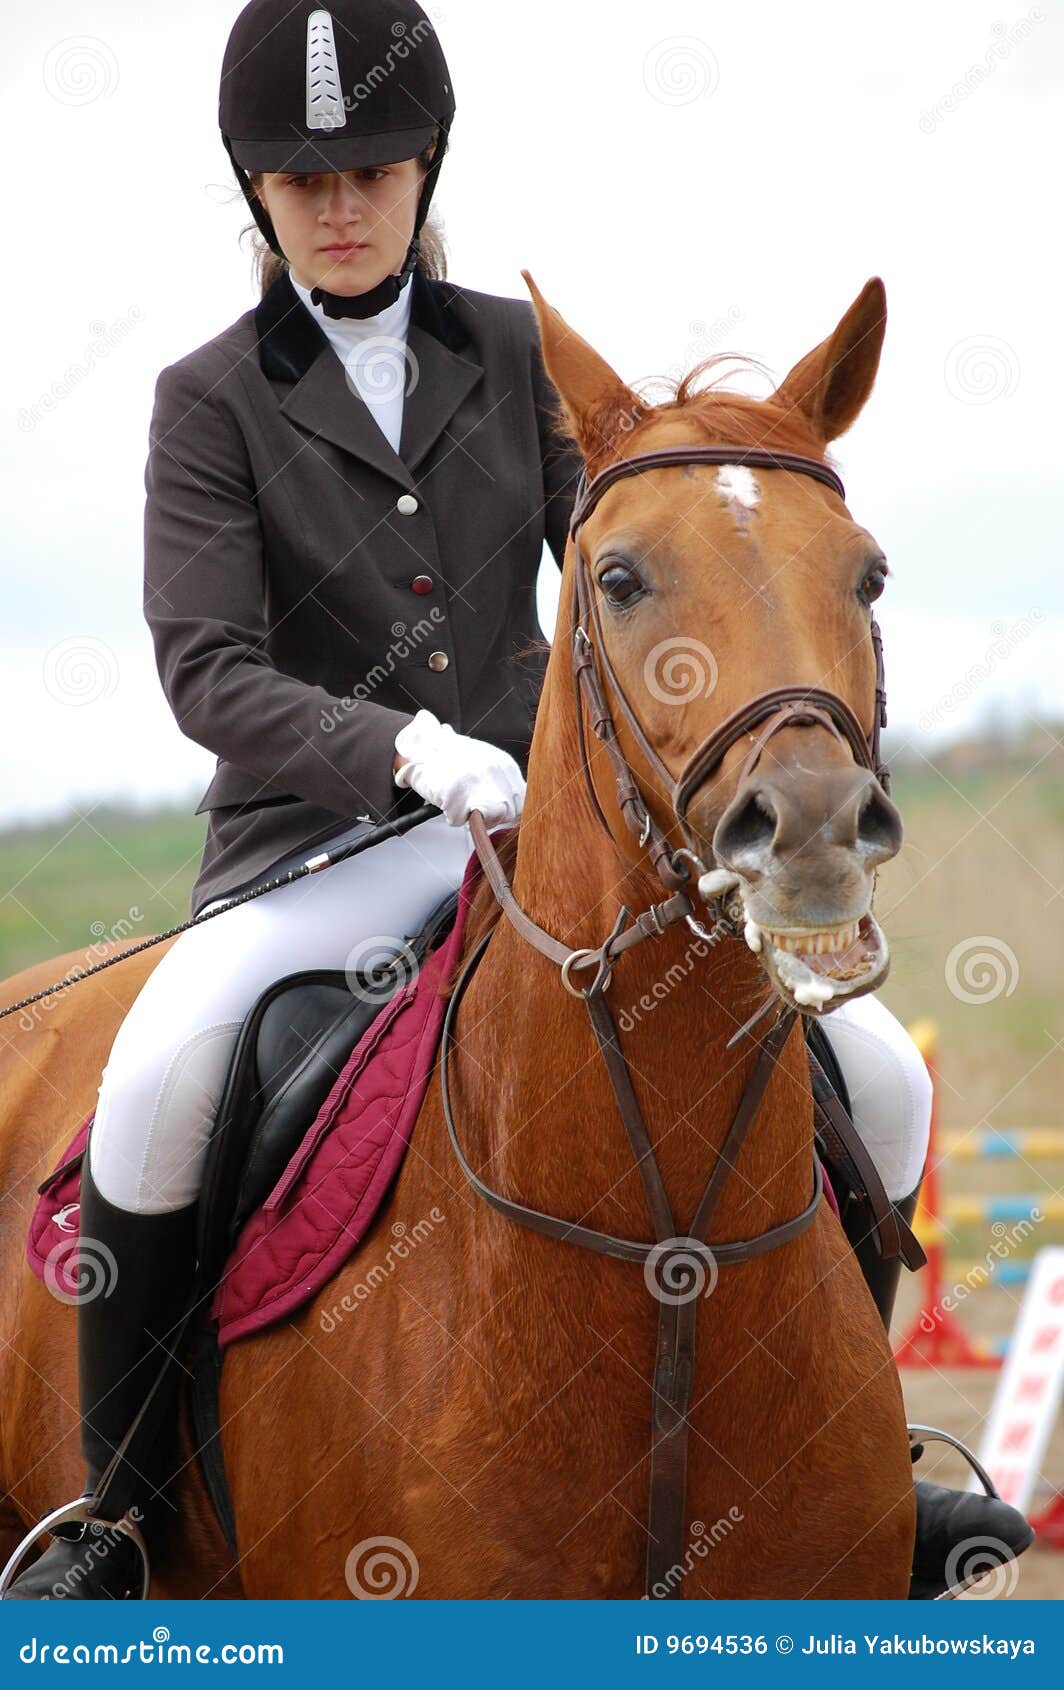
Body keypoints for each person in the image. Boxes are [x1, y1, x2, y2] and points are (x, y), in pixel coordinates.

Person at [3, 0, 1029, 1602]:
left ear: (427, 168)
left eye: (373, 173)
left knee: (883, 1075)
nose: (342, 207)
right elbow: (207, 672)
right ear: (257, 190)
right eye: (304, 181)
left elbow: (627, 560)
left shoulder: (518, 359)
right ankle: (115, 1520)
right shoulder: (210, 400)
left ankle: (866, 1462)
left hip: (537, 835)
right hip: (314, 851)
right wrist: (404, 750)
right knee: (158, 1077)